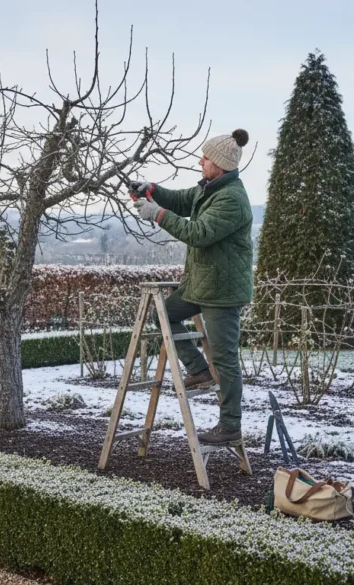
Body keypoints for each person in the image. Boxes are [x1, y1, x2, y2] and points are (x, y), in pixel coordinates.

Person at [130, 129, 253, 445]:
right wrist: (153, 191)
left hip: (222, 290)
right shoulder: (209, 188)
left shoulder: (231, 199)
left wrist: (156, 214)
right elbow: (182, 200)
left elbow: (198, 233)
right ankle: (198, 369)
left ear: (221, 164)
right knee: (164, 315)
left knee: (225, 359)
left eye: (206, 158)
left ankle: (230, 426)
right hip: (201, 282)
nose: (200, 162)